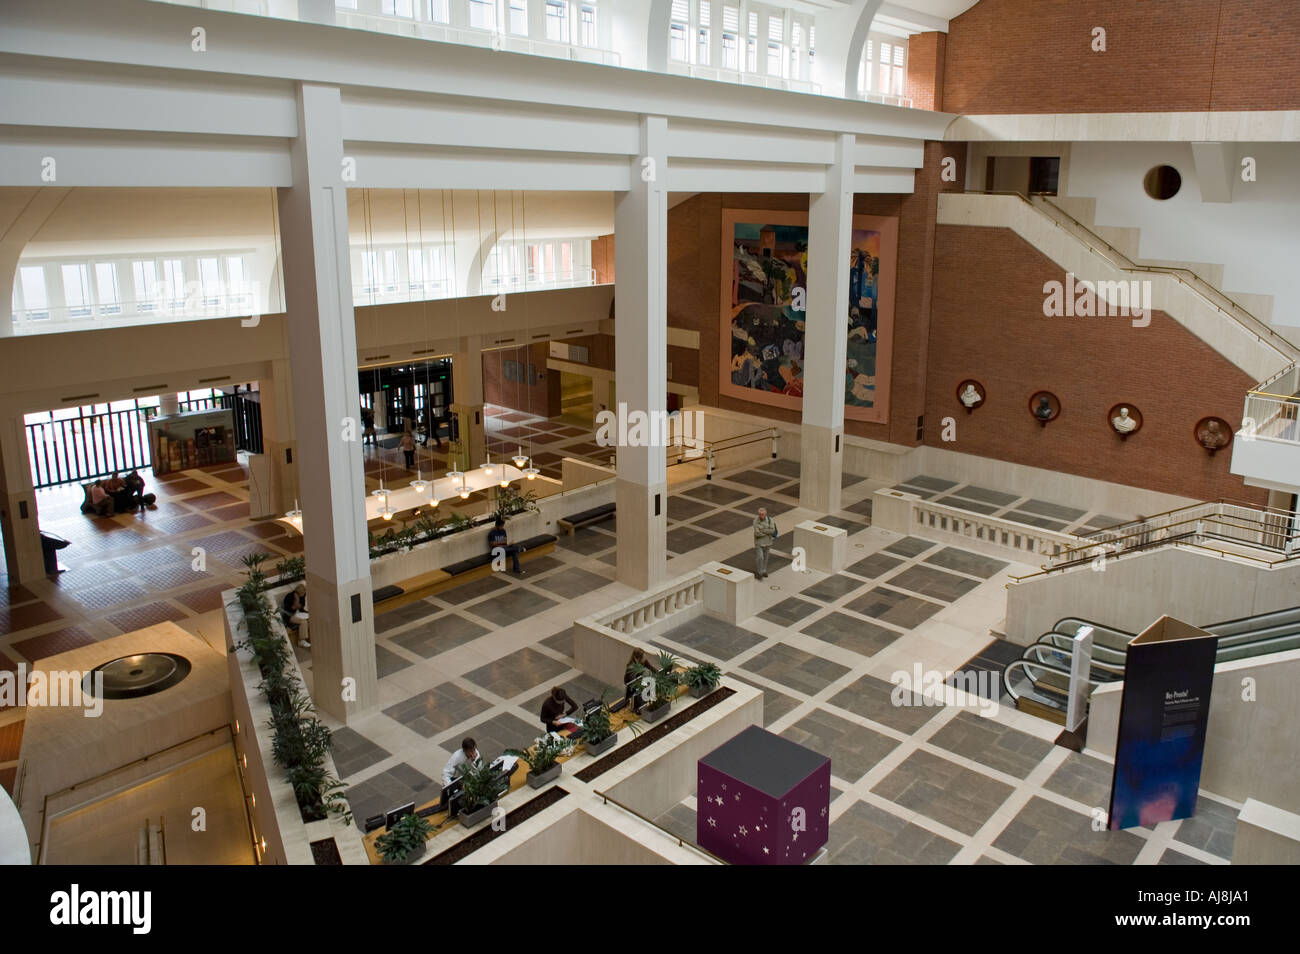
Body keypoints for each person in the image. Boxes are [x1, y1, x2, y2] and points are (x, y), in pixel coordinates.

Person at [281, 583, 310, 648]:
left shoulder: (303, 595)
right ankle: (301, 641)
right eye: (302, 594)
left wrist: (300, 605)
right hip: (289, 616)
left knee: (311, 618)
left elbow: (302, 605)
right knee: (303, 622)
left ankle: (310, 638)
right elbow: (289, 610)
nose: (303, 595)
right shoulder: (289, 597)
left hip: (299, 613)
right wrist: (296, 601)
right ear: (297, 593)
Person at [753, 506, 778, 580]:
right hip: (759, 543)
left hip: (768, 542)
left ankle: (764, 570)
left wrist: (763, 530)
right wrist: (767, 531)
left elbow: (772, 530)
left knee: (766, 557)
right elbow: (757, 533)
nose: (761, 516)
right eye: (760, 514)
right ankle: (759, 572)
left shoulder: (770, 520)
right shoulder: (755, 521)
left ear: (766, 514)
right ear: (758, 514)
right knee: (760, 557)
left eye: (763, 514)